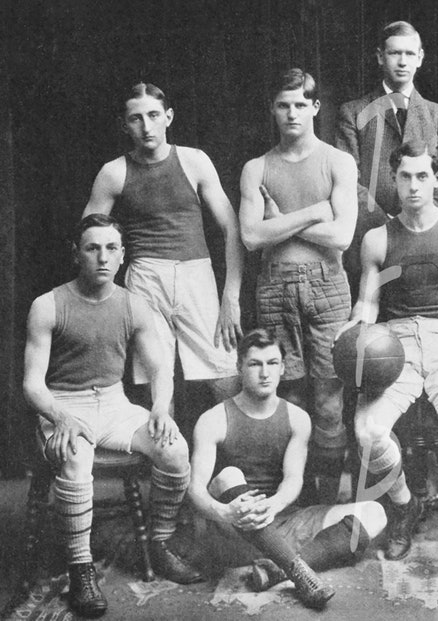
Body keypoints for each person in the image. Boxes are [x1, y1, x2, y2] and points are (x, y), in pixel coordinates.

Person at [22, 215, 202, 619]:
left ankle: (159, 542)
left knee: (174, 450)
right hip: (64, 405)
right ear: (76, 254)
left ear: (122, 256)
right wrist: (58, 415)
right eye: (92, 248)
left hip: (115, 404)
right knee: (75, 458)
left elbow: (160, 369)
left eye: (110, 249)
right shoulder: (48, 305)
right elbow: (33, 385)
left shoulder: (134, 304)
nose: (102, 257)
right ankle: (81, 567)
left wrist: (159, 407)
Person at [344, 140, 438, 588]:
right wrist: (352, 337)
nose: (413, 185)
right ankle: (405, 504)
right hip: (396, 344)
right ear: (394, 178)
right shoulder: (378, 238)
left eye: (422, 176)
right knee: (368, 432)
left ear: (437, 179)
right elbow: (367, 305)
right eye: (404, 176)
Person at [188, 329, 386, 610]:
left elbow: (292, 481)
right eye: (255, 364)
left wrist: (274, 504)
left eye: (272, 363)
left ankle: (277, 568)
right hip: (235, 527)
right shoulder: (213, 420)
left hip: (281, 519)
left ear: (282, 367)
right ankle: (297, 571)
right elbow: (195, 489)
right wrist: (225, 512)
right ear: (239, 368)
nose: (264, 373)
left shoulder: (297, 419)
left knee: (375, 513)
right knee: (229, 475)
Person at [238, 68, 358, 504]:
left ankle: (327, 499)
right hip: (275, 288)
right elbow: (251, 237)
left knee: (328, 397)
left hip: (327, 287)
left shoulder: (338, 161)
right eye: (283, 105)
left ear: (315, 107)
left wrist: (279, 221)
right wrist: (313, 213)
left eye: (300, 104)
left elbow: (343, 237)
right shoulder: (256, 167)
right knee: (284, 394)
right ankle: (295, 495)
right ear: (273, 109)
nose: (292, 113)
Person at [83, 82, 244, 405]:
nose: (146, 126)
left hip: (196, 274)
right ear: (124, 125)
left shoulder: (194, 161)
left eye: (154, 115)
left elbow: (232, 228)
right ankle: (163, 457)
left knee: (223, 375)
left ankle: (233, 455)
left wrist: (231, 296)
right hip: (145, 277)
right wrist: (105, 297)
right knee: (157, 382)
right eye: (136, 118)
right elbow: (87, 236)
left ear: (168, 117)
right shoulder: (113, 173)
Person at [335, 20, 438, 301]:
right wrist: (387, 226)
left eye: (409, 54)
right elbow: (347, 181)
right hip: (372, 240)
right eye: (394, 53)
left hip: (426, 240)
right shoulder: (353, 113)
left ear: (420, 58)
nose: (402, 61)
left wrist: (418, 222)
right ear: (380, 57)